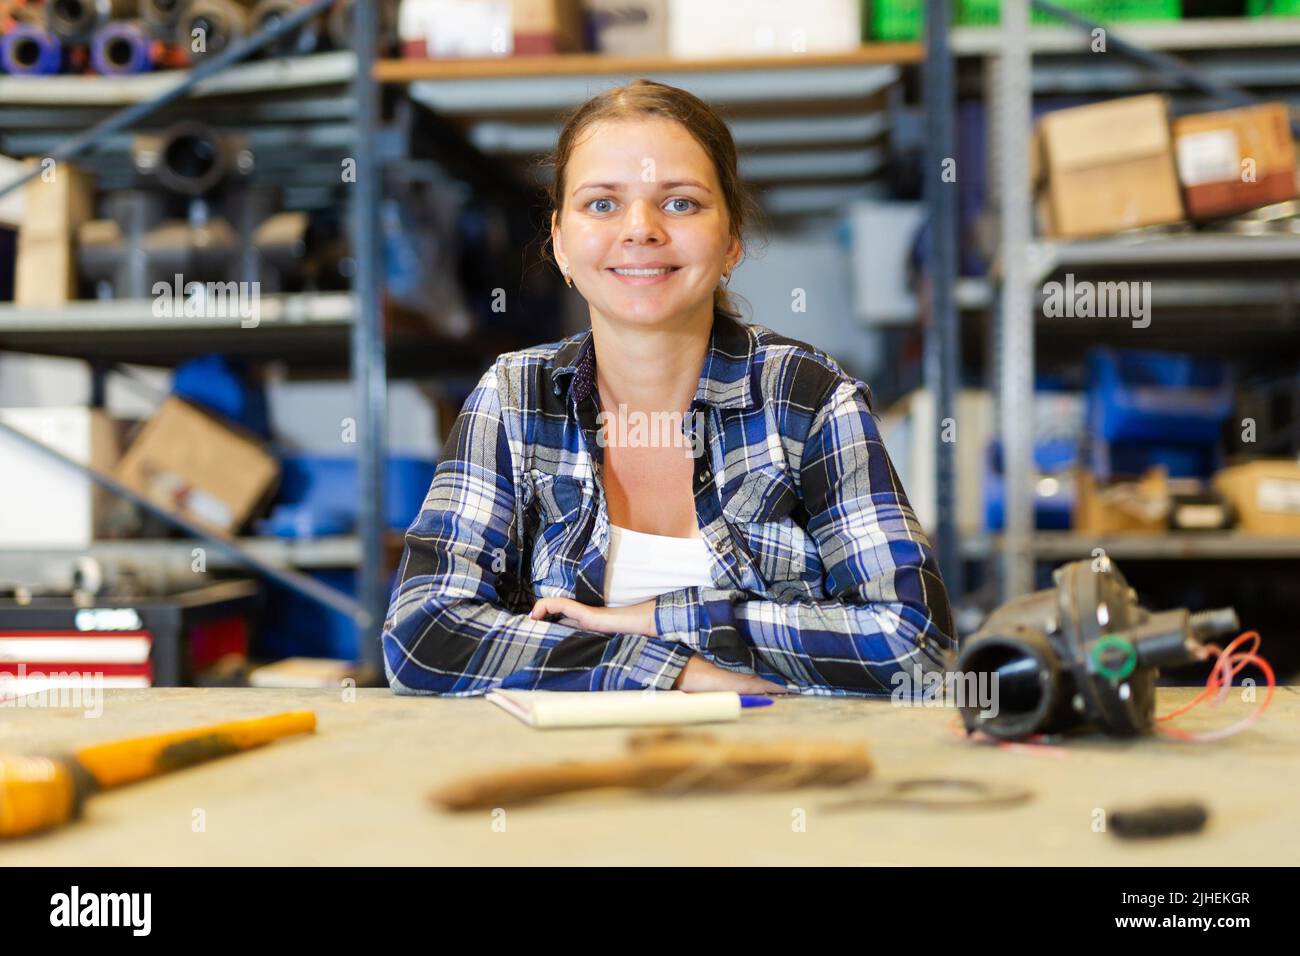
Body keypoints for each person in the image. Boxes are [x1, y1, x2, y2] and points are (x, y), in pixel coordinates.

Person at [382, 78, 954, 697]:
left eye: (680, 203)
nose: (641, 229)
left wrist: (663, 619)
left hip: (781, 774)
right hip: (566, 782)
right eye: (602, 204)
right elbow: (421, 634)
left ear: (731, 239)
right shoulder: (517, 396)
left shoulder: (808, 396)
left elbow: (916, 647)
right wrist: (674, 669)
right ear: (560, 243)